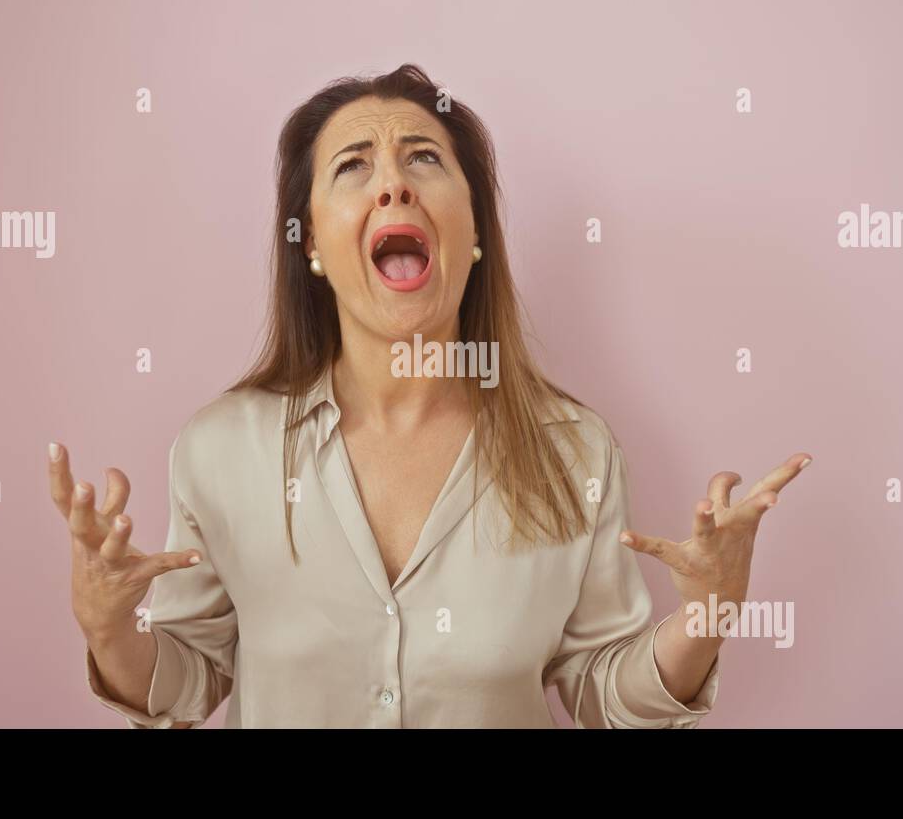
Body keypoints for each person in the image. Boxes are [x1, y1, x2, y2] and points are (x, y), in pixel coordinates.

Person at [47, 64, 810, 728]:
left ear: (473, 228)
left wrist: (709, 612)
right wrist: (111, 626)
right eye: (353, 165)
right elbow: (185, 689)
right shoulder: (219, 450)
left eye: (424, 158)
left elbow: (604, 698)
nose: (393, 183)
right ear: (310, 241)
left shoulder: (575, 450)